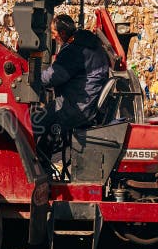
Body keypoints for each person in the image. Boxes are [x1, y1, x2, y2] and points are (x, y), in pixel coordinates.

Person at [33, 14, 110, 161]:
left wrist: (32, 79)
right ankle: (43, 162)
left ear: (62, 33)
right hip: (87, 99)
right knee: (46, 118)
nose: (53, 37)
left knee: (36, 122)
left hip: (79, 105)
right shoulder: (87, 43)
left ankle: (39, 164)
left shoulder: (74, 51)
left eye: (54, 33)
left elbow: (54, 77)